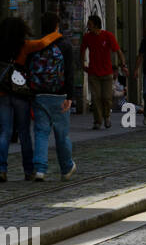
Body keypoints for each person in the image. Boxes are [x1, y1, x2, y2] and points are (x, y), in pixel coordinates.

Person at [27, 12, 76, 182]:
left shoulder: (37, 45)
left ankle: (40, 169)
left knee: (41, 132)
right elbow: (69, 73)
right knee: (61, 134)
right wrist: (70, 96)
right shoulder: (64, 45)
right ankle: (66, 167)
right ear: (56, 25)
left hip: (39, 94)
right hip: (59, 95)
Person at [0, 16, 38, 181]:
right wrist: (56, 34)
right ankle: (28, 170)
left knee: (5, 132)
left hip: (2, 93)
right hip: (21, 94)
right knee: (24, 133)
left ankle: (1, 169)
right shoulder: (25, 46)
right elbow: (43, 43)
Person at [81, 14, 127, 131]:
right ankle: (97, 121)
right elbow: (82, 51)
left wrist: (123, 65)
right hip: (93, 72)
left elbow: (118, 51)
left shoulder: (108, 36)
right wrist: (83, 64)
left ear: (96, 25)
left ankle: (106, 116)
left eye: (89, 24)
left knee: (106, 97)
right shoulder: (87, 37)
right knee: (96, 97)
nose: (88, 26)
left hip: (107, 72)